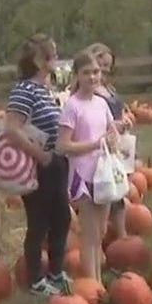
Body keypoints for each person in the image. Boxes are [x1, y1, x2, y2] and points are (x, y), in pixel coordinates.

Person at [3, 33, 71, 297]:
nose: (55, 59)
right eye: (50, 55)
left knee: (61, 218)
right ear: (38, 60)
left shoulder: (47, 89)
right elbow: (11, 128)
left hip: (57, 162)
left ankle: (56, 271)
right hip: (38, 165)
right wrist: (38, 154)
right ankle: (35, 279)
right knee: (39, 221)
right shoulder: (25, 90)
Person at [58, 51, 119, 282]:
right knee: (90, 233)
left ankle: (96, 279)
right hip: (82, 176)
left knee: (101, 231)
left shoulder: (102, 103)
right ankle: (93, 284)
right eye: (86, 73)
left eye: (96, 72)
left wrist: (114, 136)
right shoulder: (72, 107)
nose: (92, 77)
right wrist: (95, 144)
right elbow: (63, 145)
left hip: (103, 174)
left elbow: (110, 129)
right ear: (77, 76)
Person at [85, 42, 132, 240]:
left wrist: (125, 118)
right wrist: (115, 125)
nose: (105, 69)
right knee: (104, 190)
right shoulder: (90, 91)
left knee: (119, 189)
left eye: (108, 66)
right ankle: (100, 237)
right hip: (100, 145)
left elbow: (117, 110)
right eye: (101, 64)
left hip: (116, 143)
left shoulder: (109, 89)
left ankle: (121, 236)